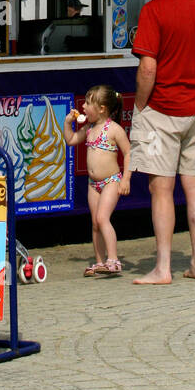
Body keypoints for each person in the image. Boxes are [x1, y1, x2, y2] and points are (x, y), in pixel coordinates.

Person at [130, 0, 195, 285]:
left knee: (162, 189)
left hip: (164, 111)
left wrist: (140, 105)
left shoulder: (153, 10)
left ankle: (163, 268)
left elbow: (148, 67)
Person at [63, 85, 131, 276]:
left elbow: (128, 153)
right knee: (95, 222)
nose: (83, 107)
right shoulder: (89, 128)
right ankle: (100, 262)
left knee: (103, 218)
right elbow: (71, 140)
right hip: (93, 184)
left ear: (101, 108)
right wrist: (68, 124)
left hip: (111, 181)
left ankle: (113, 260)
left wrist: (125, 179)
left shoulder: (114, 129)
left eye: (87, 103)